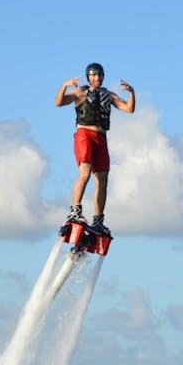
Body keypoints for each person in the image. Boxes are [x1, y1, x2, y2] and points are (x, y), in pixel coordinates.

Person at [55, 62, 135, 235]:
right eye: (93, 75)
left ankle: (98, 220)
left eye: (99, 75)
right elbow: (58, 102)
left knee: (103, 179)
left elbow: (129, 109)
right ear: (88, 77)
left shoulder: (109, 95)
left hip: (101, 138)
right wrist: (64, 85)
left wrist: (132, 92)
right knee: (85, 173)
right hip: (84, 134)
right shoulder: (80, 92)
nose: (97, 78)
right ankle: (75, 212)